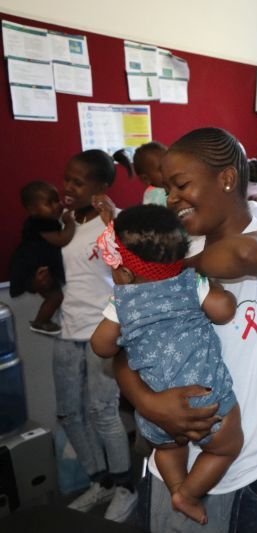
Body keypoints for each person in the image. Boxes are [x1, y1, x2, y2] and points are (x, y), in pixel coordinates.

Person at [113, 127, 257, 532]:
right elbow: (122, 350)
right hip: (176, 462)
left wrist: (162, 275)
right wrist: (148, 404)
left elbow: (239, 255)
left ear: (227, 178)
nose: (171, 199)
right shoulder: (175, 252)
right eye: (167, 189)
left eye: (181, 184)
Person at [90, 205, 241, 525]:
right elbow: (224, 311)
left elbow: (100, 346)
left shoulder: (123, 299)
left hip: (155, 405)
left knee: (168, 448)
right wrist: (216, 288)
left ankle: (175, 486)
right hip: (206, 399)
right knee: (226, 447)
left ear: (126, 273)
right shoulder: (190, 283)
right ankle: (188, 493)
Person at [56, 149, 136, 522]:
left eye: (78, 181)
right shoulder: (66, 220)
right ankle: (99, 480)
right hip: (67, 328)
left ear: (100, 187)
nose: (68, 187)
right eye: (67, 178)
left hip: (101, 329)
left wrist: (113, 221)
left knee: (102, 411)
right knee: (70, 413)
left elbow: (128, 271)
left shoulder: (111, 223)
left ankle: (125, 486)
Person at [9, 181, 74, 335]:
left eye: (57, 200)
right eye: (48, 203)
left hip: (38, 264)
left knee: (55, 296)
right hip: (33, 266)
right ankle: (40, 321)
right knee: (56, 296)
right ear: (32, 210)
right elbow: (62, 239)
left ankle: (42, 320)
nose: (56, 206)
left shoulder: (43, 220)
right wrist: (70, 223)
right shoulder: (40, 223)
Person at [133, 142, 168, 206]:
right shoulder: (158, 194)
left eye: (171, 165)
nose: (169, 171)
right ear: (146, 179)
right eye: (161, 169)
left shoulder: (149, 192)